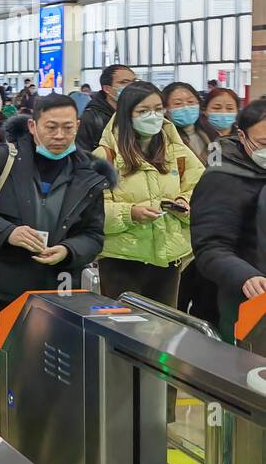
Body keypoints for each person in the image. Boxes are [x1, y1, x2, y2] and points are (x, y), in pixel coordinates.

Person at [0, 95, 114, 328]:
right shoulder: (4, 159)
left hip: (59, 287)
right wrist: (8, 232)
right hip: (1, 288)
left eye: (67, 127)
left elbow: (93, 234)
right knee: (2, 358)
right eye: (51, 127)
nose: (59, 135)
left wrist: (68, 250)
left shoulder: (89, 173)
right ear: (32, 126)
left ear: (77, 126)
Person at [92, 81, 203, 305]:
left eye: (158, 109)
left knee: (163, 330)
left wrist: (184, 201)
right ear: (126, 114)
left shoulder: (177, 151)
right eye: (143, 111)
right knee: (123, 330)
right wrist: (129, 213)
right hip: (121, 260)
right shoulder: (105, 156)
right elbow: (90, 211)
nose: (153, 116)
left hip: (168, 260)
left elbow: (201, 187)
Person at [190, 98, 266, 341]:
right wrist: (246, 276)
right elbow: (210, 247)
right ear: (242, 137)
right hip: (249, 302)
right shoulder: (222, 178)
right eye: (264, 143)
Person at [77, 63, 136, 154]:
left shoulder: (138, 113)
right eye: (123, 82)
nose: (131, 86)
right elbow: (82, 154)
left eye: (134, 82)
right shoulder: (91, 117)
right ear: (107, 89)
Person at [163, 81, 219, 165]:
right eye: (178, 103)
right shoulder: (164, 140)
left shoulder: (211, 133)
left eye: (190, 102)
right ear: (165, 110)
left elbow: (218, 164)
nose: (186, 107)